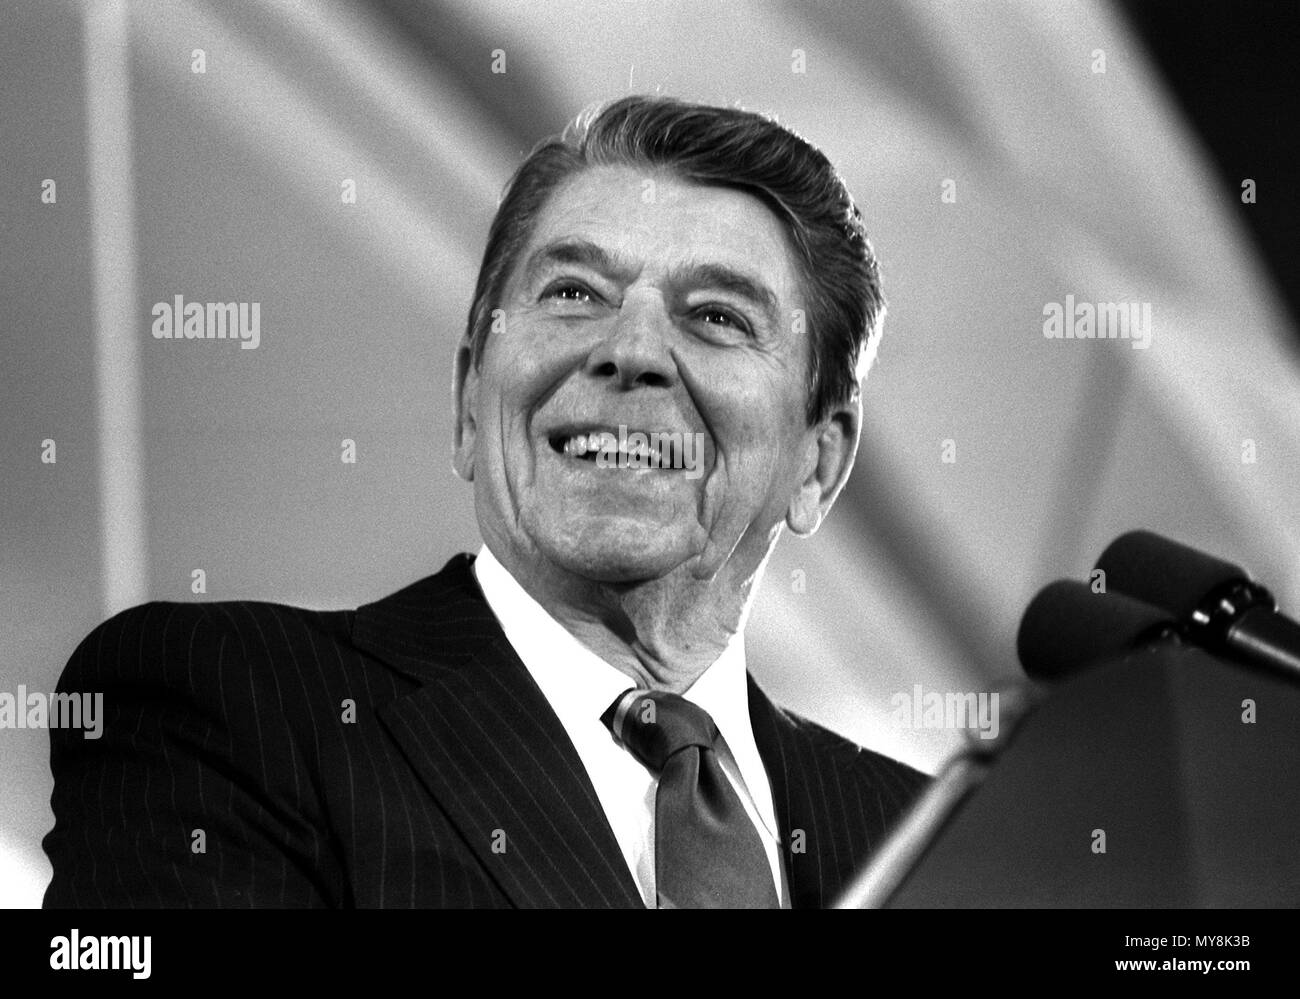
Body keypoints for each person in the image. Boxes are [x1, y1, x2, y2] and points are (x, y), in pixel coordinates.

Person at [42, 95, 928, 909]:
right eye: (575, 293)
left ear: (819, 463)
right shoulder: (235, 708)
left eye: (718, 316)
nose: (632, 349)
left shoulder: (928, 841)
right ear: (471, 396)